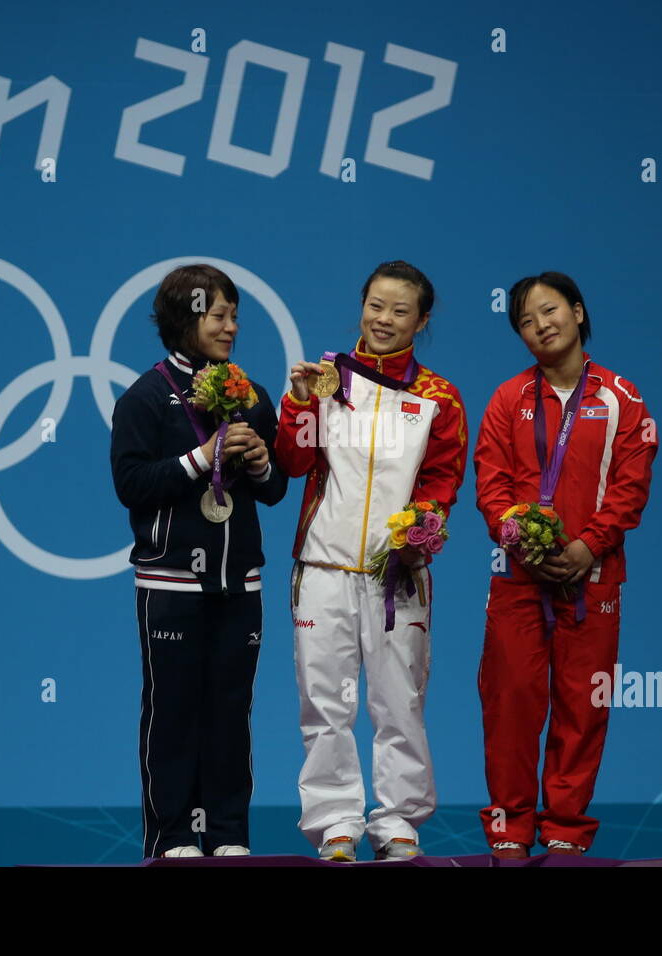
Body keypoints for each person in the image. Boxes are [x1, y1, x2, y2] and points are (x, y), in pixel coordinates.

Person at [275, 260, 467, 862]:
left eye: (400, 310)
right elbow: (293, 462)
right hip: (324, 567)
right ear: (361, 306)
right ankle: (335, 822)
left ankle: (399, 823)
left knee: (399, 700)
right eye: (376, 306)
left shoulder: (439, 398)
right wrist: (301, 403)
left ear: (422, 321)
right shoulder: (328, 378)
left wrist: (421, 530)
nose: (384, 320)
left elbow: (441, 481)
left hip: (396, 575)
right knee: (324, 701)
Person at [473, 271, 657, 858]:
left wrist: (587, 546)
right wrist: (523, 542)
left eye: (549, 312)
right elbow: (491, 484)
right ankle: (509, 830)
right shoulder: (507, 399)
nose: (539, 327)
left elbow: (630, 488)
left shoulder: (622, 398)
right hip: (517, 580)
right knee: (511, 706)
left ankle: (565, 834)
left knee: (582, 707)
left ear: (578, 313)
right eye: (525, 321)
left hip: (594, 578)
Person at [109, 263, 288, 859]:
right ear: (187, 317)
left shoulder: (252, 394)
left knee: (232, 712)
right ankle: (173, 835)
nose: (232, 327)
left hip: (241, 581)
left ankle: (229, 834)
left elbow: (274, 489)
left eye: (235, 315)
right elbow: (131, 483)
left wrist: (260, 460)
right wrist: (200, 456)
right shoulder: (145, 397)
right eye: (220, 315)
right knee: (173, 711)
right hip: (171, 581)